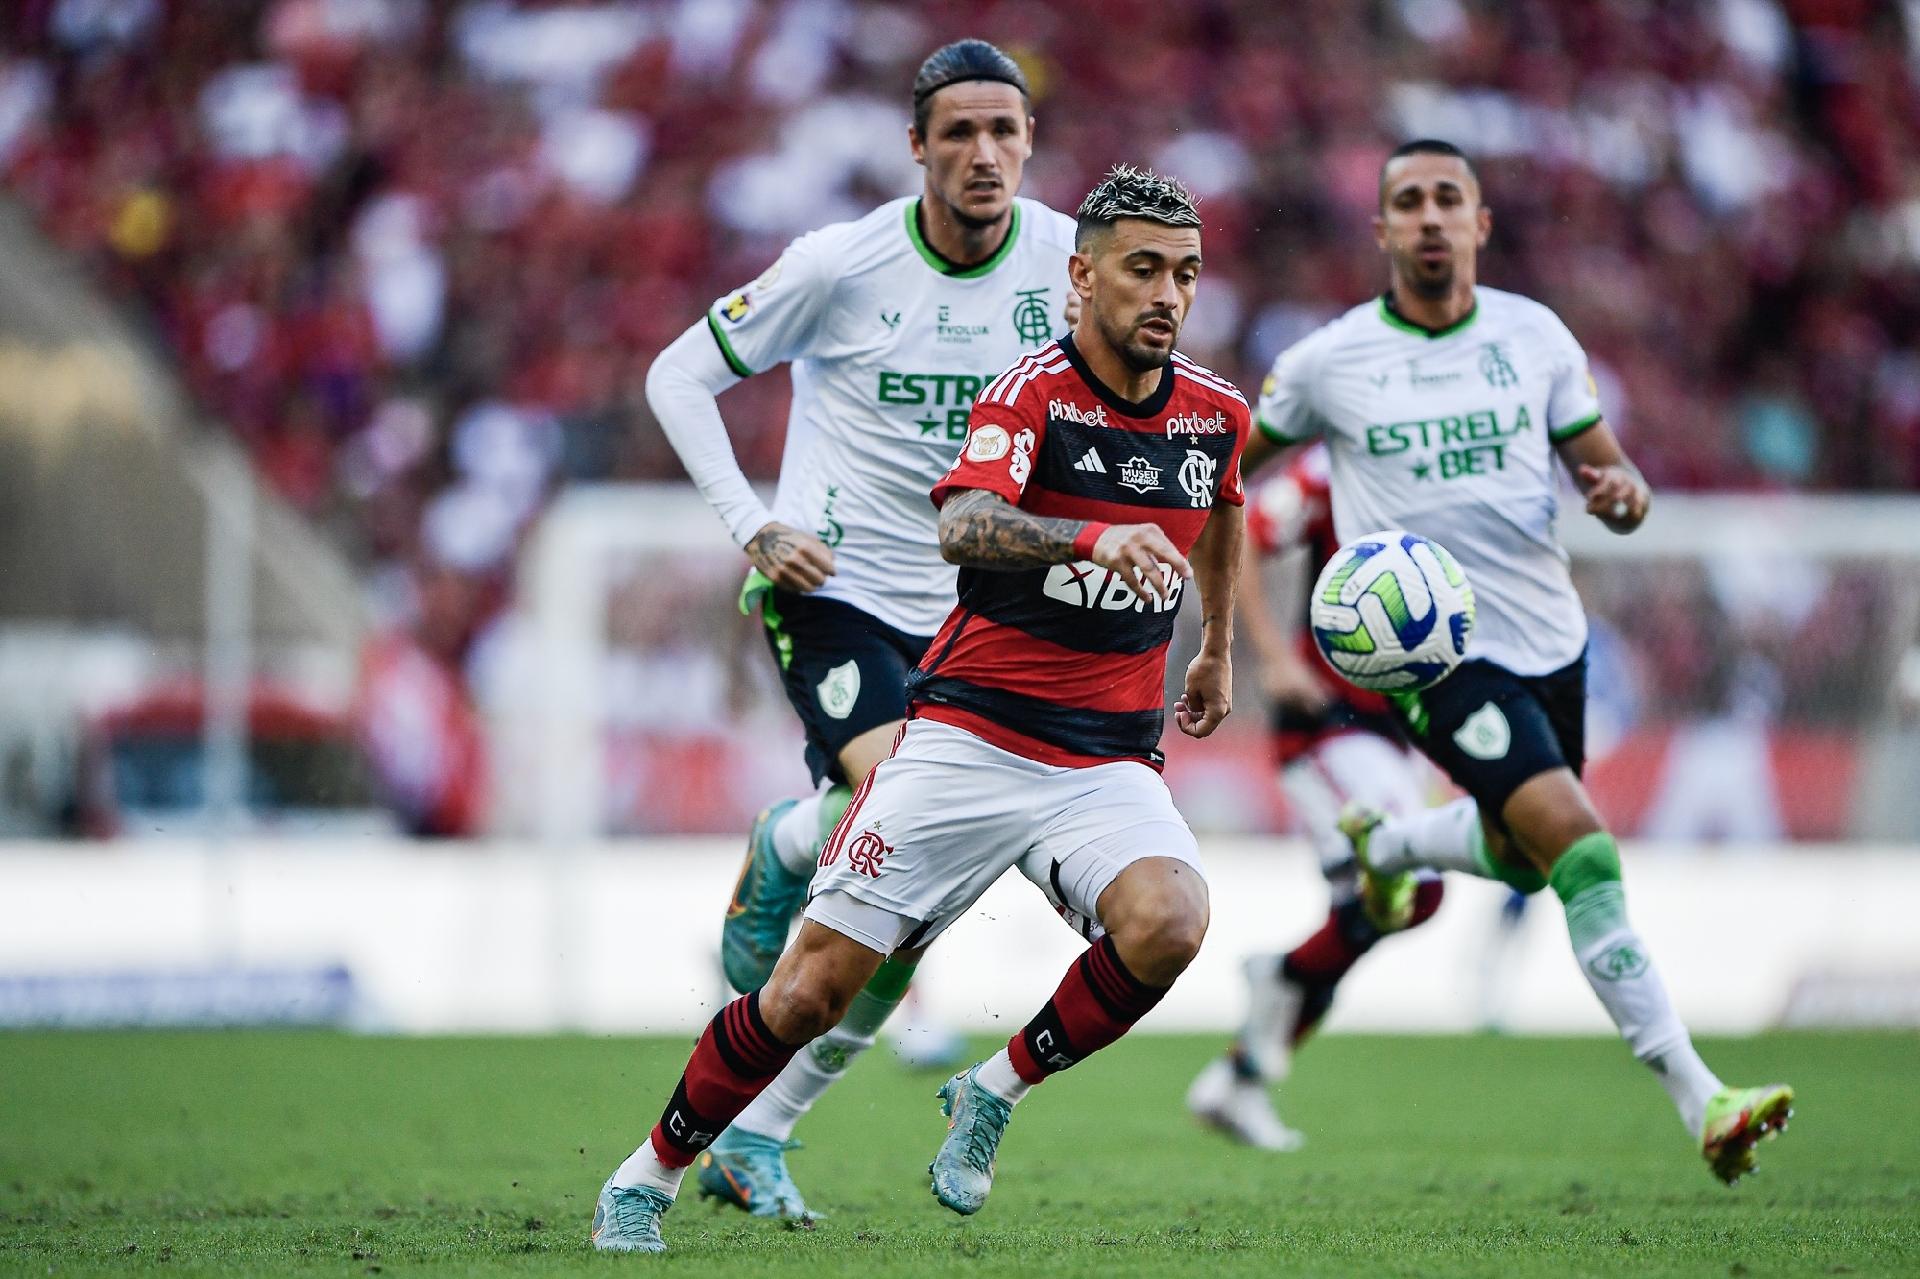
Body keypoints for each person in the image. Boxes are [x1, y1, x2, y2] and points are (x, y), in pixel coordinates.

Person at [591, 164, 1248, 1253]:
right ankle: (649, 1171)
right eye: (1142, 270)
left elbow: (1222, 510)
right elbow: (969, 525)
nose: (1168, 295)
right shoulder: (1029, 393)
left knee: (1173, 918)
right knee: (808, 991)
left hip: (1106, 763)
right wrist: (1089, 537)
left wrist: (1217, 646)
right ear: (1081, 277)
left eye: (1184, 272)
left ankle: (992, 1090)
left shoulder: (1215, 411)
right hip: (967, 739)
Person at [1239, 138, 1792, 1185]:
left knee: (1524, 854)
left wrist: (1621, 490)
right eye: (1409, 201)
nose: (1432, 216)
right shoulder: (1330, 361)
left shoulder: (1534, 336)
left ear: (1482, 222)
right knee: (1582, 850)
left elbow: (1603, 467)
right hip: (1437, 655)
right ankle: (1700, 1095)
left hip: (1553, 638)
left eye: (1451, 198)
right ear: (1383, 229)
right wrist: (1234, 634)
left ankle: (1392, 844)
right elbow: (1226, 480)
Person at [642, 39, 1078, 1219]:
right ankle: (786, 883)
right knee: (909, 816)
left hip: (981, 615)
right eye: (959, 134)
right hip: (836, 592)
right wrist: (751, 524)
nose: (985, 154)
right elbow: (677, 375)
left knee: (910, 879)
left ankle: (759, 1114)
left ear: (1029, 142)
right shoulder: (842, 264)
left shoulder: (1067, 263)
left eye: (1005, 132)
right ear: (917, 148)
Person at [1184, 444, 1446, 1149]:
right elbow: (1237, 538)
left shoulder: (1463, 466)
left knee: (1357, 922)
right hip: (1328, 723)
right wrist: (1274, 659)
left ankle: (1240, 1079)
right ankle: (1277, 977)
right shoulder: (1335, 467)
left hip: (1400, 729)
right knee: (1408, 893)